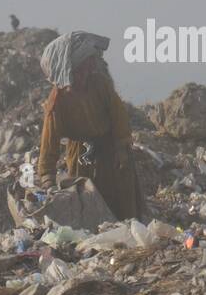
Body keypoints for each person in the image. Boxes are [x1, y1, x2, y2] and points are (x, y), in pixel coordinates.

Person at [36, 32, 148, 220]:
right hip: (81, 153)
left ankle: (129, 226)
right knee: (87, 195)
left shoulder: (99, 84)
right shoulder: (57, 103)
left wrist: (122, 148)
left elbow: (118, 115)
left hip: (110, 145)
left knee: (122, 194)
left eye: (89, 65)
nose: (87, 71)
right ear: (69, 70)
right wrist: (47, 179)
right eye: (81, 68)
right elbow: (49, 144)